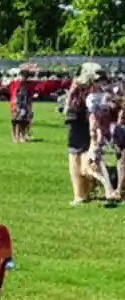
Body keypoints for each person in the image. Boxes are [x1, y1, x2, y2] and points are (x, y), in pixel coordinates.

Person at [65, 76, 93, 205]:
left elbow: (69, 101)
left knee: (76, 156)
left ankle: (79, 195)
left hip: (78, 119)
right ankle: (85, 192)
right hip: (86, 120)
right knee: (84, 154)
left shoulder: (78, 86)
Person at [9, 70, 33, 143]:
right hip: (15, 103)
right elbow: (13, 94)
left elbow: (29, 97)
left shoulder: (27, 85)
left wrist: (29, 107)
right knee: (15, 121)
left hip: (23, 104)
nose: (23, 78)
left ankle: (21, 136)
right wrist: (14, 105)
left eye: (25, 77)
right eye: (23, 77)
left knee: (23, 121)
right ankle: (14, 136)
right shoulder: (15, 83)